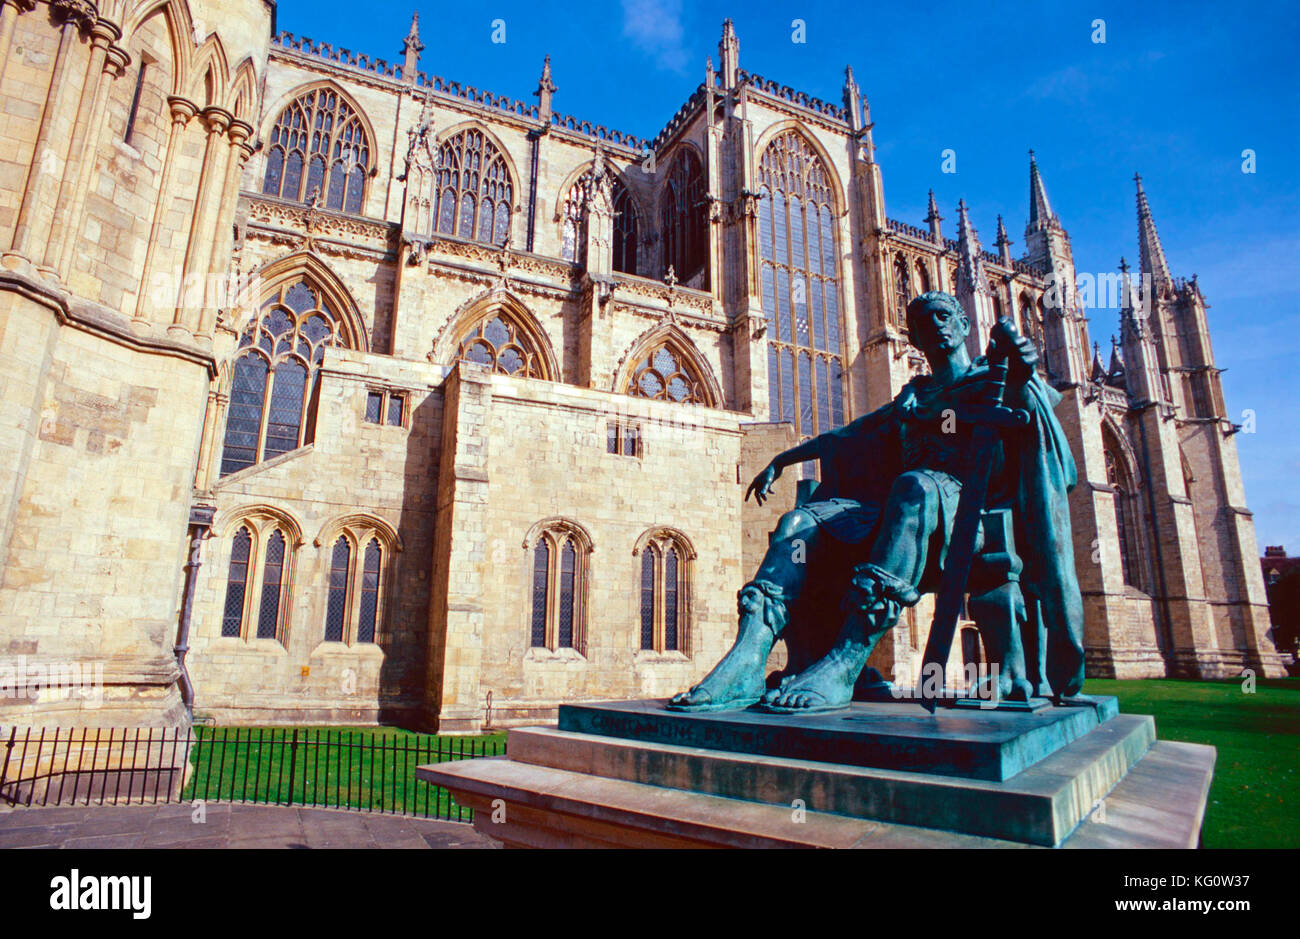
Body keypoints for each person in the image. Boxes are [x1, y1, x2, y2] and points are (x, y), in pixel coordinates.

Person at [669, 291, 1085, 713]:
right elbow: (848, 436)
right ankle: (747, 657)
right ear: (916, 341)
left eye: (943, 316)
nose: (936, 326)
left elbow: (1036, 410)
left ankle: (846, 660)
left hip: (965, 508)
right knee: (797, 525)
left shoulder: (992, 380)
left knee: (913, 487)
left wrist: (1022, 374)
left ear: (963, 323)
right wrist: (784, 458)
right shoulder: (913, 399)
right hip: (900, 509)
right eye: (924, 324)